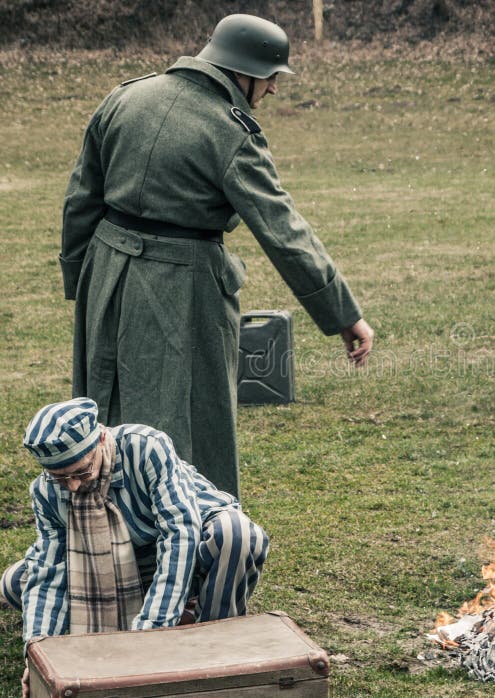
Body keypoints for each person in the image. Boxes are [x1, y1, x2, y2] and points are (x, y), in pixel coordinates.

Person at [59, 14, 375, 497]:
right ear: (243, 71)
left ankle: (105, 523)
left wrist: (81, 281)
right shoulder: (230, 133)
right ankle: (194, 534)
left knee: (105, 404)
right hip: (181, 286)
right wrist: (344, 314)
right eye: (270, 78)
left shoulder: (125, 96)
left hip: (105, 272)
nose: (272, 91)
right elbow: (283, 231)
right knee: (189, 419)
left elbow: (81, 199)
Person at [0, 398, 269, 697]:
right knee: (16, 583)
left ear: (102, 439)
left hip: (191, 546)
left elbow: (180, 533)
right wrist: (37, 656)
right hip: (120, 569)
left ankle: (209, 643)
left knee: (237, 535)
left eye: (81, 472)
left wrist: (148, 636)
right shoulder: (46, 492)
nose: (73, 486)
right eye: (61, 478)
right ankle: (173, 613)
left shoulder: (146, 447)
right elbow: (49, 572)